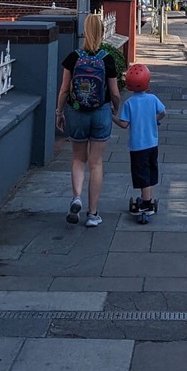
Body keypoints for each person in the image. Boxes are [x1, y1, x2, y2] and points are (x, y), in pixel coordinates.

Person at [55, 13, 122, 228]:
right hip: (101, 112)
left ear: (84, 32)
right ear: (102, 32)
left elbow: (65, 89)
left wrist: (59, 112)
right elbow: (115, 93)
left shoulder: (73, 58)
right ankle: (93, 214)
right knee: (96, 163)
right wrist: (115, 108)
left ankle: (76, 198)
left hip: (76, 112)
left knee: (78, 159)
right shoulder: (107, 59)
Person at [112, 64, 167, 224]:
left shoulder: (129, 103)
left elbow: (124, 124)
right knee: (149, 172)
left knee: (141, 174)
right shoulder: (152, 99)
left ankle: (146, 203)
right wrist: (154, 120)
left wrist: (111, 117)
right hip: (152, 144)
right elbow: (163, 112)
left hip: (137, 146)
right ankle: (147, 198)